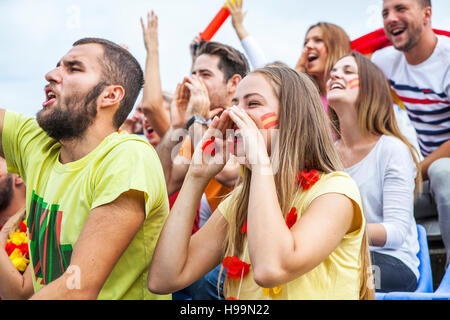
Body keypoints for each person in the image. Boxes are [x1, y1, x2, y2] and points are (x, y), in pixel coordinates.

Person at [148, 65, 375, 300]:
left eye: (252, 103)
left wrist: (259, 161)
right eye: (234, 104)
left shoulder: (336, 191)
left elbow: (271, 269)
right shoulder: (240, 201)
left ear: (292, 118)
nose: (233, 114)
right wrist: (196, 178)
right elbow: (164, 278)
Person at [0, 38, 170, 299]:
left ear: (110, 95)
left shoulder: (128, 157)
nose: (51, 74)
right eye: (57, 66)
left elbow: (77, 289)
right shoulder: (37, 142)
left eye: (74, 68)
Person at [327, 51, 422, 292]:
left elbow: (397, 232)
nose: (335, 75)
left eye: (348, 71)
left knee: (329, 275)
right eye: (333, 72)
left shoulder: (392, 149)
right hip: (338, 255)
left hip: (393, 264)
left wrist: (333, 231)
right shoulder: (326, 154)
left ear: (371, 88)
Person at [371, 0, 450, 266]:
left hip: (438, 171)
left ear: (427, 14)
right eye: (385, 13)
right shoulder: (383, 62)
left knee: (442, 171)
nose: (390, 18)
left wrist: (414, 171)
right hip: (424, 173)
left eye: (400, 9)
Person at [295, 22, 351, 113]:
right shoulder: (304, 98)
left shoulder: (355, 94)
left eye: (318, 40)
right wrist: (295, 77)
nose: (308, 46)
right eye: (305, 42)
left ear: (336, 47)